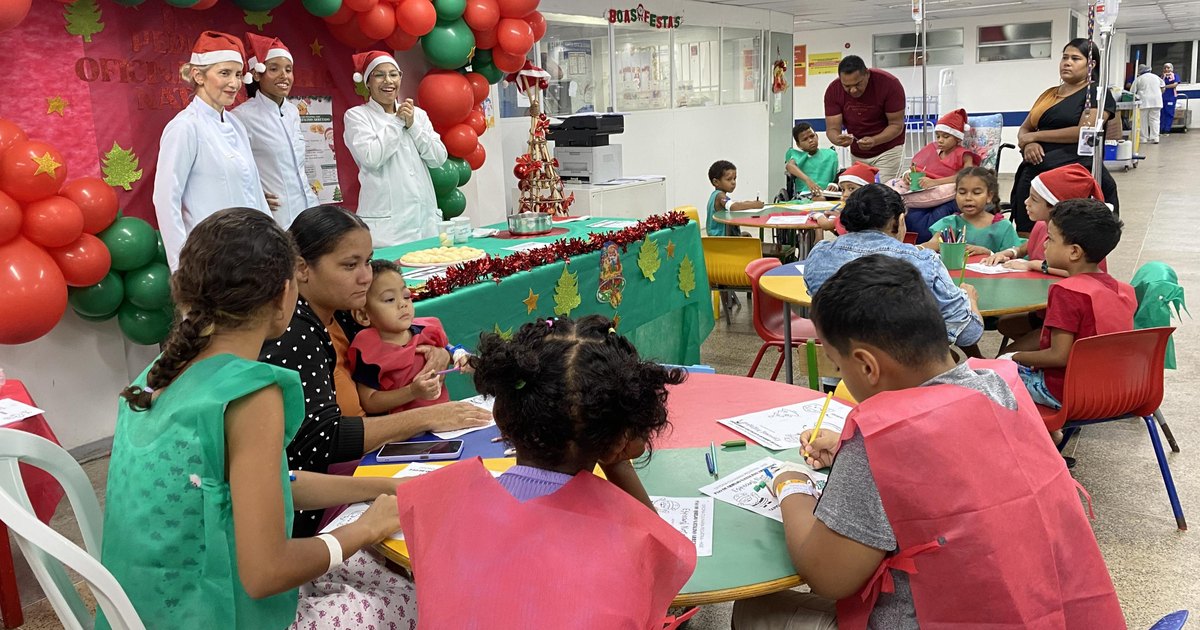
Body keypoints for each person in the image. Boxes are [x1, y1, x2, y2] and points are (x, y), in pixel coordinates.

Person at [731, 254, 1125, 630]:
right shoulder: (1000, 385)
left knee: (755, 610)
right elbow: (965, 461)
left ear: (867, 366)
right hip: (1048, 607)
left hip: (942, 616)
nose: (841, 375)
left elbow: (830, 576)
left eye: (838, 363)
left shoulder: (881, 441)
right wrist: (847, 451)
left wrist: (791, 487)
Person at [98, 208, 405, 629]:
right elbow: (266, 574)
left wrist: (385, 486)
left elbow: (269, 483)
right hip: (217, 613)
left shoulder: (157, 374)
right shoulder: (249, 393)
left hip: (146, 611)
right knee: (405, 595)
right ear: (285, 294)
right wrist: (365, 530)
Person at [393, 316, 698, 627]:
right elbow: (667, 570)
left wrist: (613, 445)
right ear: (624, 440)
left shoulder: (434, 501)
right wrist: (614, 456)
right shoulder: (636, 543)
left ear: (502, 414)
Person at [259, 205, 490, 537]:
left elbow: (402, 340)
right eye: (350, 265)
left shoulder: (342, 313)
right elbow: (322, 441)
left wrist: (438, 353)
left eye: (367, 261)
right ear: (301, 269)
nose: (366, 276)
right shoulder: (296, 333)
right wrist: (425, 417)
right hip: (317, 503)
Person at [804, 184, 984, 350]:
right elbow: (969, 335)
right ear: (898, 220)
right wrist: (971, 300)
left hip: (841, 370)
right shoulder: (922, 261)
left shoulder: (819, 255)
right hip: (903, 372)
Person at [153, 31, 275, 271]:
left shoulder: (236, 125)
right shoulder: (185, 127)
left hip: (251, 256)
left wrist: (273, 244)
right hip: (210, 262)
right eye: (224, 73)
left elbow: (255, 195)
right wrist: (182, 267)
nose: (234, 83)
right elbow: (166, 200)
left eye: (238, 74)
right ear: (198, 75)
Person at [1011, 198, 1135, 411]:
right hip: (1114, 390)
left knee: (991, 376)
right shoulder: (1123, 289)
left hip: (1067, 393)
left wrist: (1012, 357)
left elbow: (1059, 355)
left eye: (1050, 239)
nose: (1044, 244)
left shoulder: (1067, 292)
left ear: (1075, 252)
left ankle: (1046, 433)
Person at [984, 164, 1109, 352]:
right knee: (1006, 324)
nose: (1026, 202)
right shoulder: (1043, 225)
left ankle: (1045, 358)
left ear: (1056, 207)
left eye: (1034, 199)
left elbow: (1079, 273)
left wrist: (1033, 265)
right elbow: (1028, 245)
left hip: (1069, 319)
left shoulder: (1079, 241)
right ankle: (1039, 356)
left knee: (1007, 354)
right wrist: (1011, 252)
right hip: (1046, 312)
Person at [1009, 38, 1119, 233]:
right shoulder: (1048, 94)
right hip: (1035, 172)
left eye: (1075, 58)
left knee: (1066, 234)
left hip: (1073, 172)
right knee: (1028, 235)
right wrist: (1028, 145)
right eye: (1065, 57)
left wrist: (1037, 137)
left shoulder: (1096, 94)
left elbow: (1084, 132)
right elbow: (1025, 129)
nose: (1067, 62)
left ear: (1091, 64)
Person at [344, 51, 448, 248]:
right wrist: (398, 122)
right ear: (367, 82)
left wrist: (413, 126)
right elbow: (372, 157)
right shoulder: (357, 116)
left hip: (425, 225)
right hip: (388, 232)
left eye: (393, 74)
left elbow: (438, 157)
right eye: (379, 75)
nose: (388, 81)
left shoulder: (417, 115)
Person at [348, 259, 471, 415]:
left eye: (406, 296)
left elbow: (449, 349)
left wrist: (460, 355)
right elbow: (369, 401)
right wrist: (412, 392)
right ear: (363, 315)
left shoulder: (426, 329)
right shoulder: (368, 349)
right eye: (390, 299)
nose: (403, 304)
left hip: (444, 419)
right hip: (402, 432)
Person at [232, 33, 318, 230]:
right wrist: (253, 193)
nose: (284, 76)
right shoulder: (242, 117)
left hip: (308, 212)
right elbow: (233, 169)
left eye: (288, 70)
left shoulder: (292, 111)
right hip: (274, 217)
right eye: (274, 69)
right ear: (257, 73)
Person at [823, 55, 906, 181]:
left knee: (882, 192)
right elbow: (832, 128)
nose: (853, 90)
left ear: (867, 74)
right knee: (860, 192)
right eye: (847, 86)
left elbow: (896, 125)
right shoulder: (833, 90)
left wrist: (875, 140)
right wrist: (838, 139)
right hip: (858, 153)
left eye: (858, 84)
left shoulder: (889, 84)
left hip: (888, 150)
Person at [921, 167, 1020, 256]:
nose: (968, 198)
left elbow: (1013, 257)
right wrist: (913, 249)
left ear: (989, 196)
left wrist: (988, 253)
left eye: (976, 193)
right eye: (962, 192)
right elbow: (933, 244)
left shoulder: (1003, 227)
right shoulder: (950, 223)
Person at [905, 108, 977, 188]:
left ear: (958, 138)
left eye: (946, 137)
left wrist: (935, 182)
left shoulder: (964, 155)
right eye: (938, 136)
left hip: (945, 188)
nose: (940, 140)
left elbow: (967, 175)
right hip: (924, 184)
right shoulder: (932, 149)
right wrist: (908, 175)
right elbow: (917, 168)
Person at [811, 161, 875, 232]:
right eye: (843, 190)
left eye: (851, 189)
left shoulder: (852, 213)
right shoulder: (875, 209)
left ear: (866, 190)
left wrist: (818, 215)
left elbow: (826, 225)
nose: (845, 194)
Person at [706, 159, 764, 236]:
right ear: (716, 182)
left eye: (734, 178)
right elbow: (733, 206)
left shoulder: (716, 195)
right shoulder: (720, 196)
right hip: (721, 240)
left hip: (719, 239)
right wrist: (755, 204)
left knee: (746, 235)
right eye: (729, 179)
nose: (733, 182)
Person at [785, 122, 839, 198]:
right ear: (799, 145)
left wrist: (834, 184)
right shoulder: (796, 154)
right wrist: (808, 181)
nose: (810, 140)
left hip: (829, 192)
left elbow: (839, 173)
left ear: (816, 136)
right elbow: (790, 166)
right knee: (820, 199)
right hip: (806, 194)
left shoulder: (830, 154)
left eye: (812, 136)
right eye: (805, 139)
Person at [1131, 64, 1165, 144]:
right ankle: (1155, 138)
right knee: (1155, 120)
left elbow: (1132, 92)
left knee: (1143, 120)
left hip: (1144, 101)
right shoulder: (1156, 77)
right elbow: (1163, 87)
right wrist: (1159, 94)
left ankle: (1143, 138)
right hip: (1157, 101)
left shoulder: (1139, 79)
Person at [1161, 62, 1179, 135]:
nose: (1166, 69)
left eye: (1168, 68)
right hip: (1162, 97)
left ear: (1171, 68)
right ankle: (1160, 129)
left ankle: (1167, 130)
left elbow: (1175, 84)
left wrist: (1165, 86)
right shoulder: (1161, 77)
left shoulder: (1175, 76)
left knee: (1169, 113)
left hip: (1171, 97)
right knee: (1162, 113)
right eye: (1165, 67)